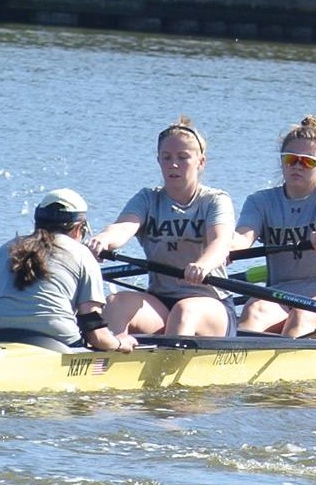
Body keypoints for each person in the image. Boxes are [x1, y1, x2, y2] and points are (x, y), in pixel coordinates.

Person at [86, 117, 236, 337]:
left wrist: (203, 265)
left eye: (183, 157)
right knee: (116, 303)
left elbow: (220, 242)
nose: (173, 164)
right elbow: (124, 227)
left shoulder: (215, 200)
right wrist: (103, 240)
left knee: (185, 311)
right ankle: (106, 364)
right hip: (161, 302)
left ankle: (167, 370)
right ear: (158, 160)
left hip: (211, 303)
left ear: (201, 162)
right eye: (166, 158)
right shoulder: (148, 198)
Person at [235, 115, 316, 337]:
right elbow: (242, 238)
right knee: (253, 310)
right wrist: (218, 249)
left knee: (302, 316)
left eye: (308, 161)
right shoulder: (260, 202)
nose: (298, 166)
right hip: (280, 295)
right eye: (291, 159)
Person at [0, 189, 135, 353]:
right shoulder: (82, 254)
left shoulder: (3, 250)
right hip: (55, 339)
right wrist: (120, 343)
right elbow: (95, 332)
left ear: (37, 222)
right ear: (79, 228)